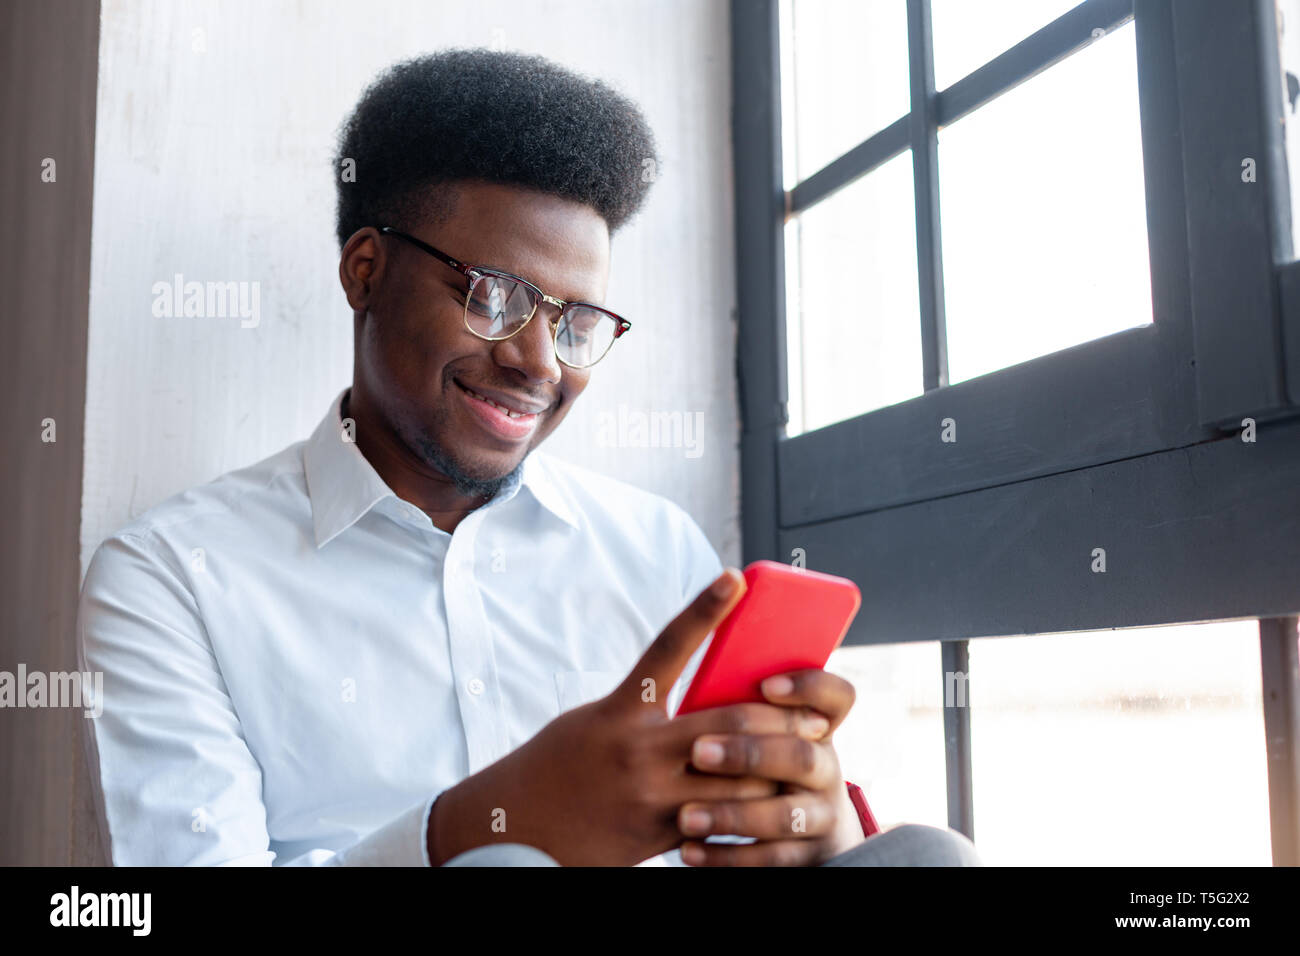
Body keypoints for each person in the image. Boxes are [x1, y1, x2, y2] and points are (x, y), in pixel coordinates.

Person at [78, 48, 979, 868]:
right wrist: (474, 830)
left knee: (929, 857)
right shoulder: (172, 578)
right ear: (365, 271)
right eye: (494, 297)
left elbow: (747, 821)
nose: (540, 364)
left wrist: (815, 826)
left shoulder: (656, 549)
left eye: (576, 321)